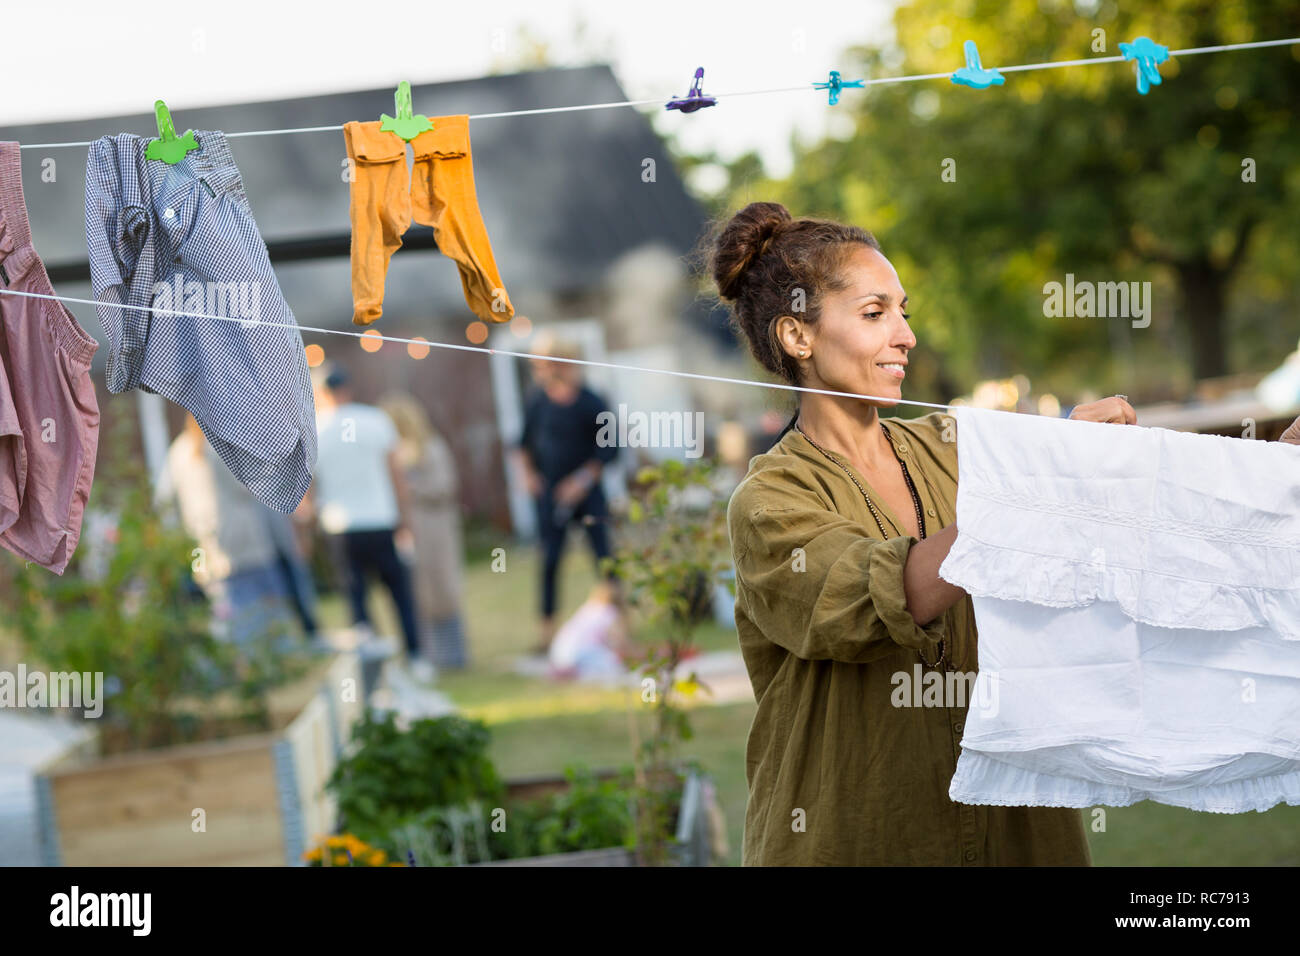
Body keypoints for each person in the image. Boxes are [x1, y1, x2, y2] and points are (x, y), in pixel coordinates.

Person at [711, 201, 1140, 866]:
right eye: (875, 313)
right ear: (799, 336)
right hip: (855, 837)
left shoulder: (957, 445)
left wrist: (1274, 472)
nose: (906, 335)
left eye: (903, 311)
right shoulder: (769, 501)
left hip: (1014, 831)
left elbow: (1110, 527)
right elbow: (891, 594)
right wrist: (1042, 485)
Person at [306, 362, 427, 679]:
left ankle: (373, 668)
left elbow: (309, 487)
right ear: (347, 388)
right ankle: (415, 657)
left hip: (341, 527)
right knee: (399, 594)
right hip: (380, 519)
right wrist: (406, 520)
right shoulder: (375, 421)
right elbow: (396, 476)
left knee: (357, 599)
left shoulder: (315, 429)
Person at [512, 341, 620, 654]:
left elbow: (610, 450)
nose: (542, 370)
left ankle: (618, 630)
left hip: (587, 494)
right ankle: (547, 635)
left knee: (605, 559)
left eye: (547, 363)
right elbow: (522, 445)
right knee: (549, 562)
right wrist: (528, 476)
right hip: (550, 496)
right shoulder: (536, 402)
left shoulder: (592, 401)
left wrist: (581, 481)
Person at [156, 413, 299, 647]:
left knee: (225, 608)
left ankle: (238, 657)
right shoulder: (223, 446)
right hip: (244, 540)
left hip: (203, 547)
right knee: (267, 603)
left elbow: (163, 499)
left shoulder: (178, 452)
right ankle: (276, 654)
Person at [379, 392, 470, 671]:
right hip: (408, 532)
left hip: (436, 528)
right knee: (416, 593)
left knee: (443, 589)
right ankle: (425, 656)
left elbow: (445, 486)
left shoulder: (431, 448)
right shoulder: (388, 453)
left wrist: (410, 489)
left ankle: (454, 655)